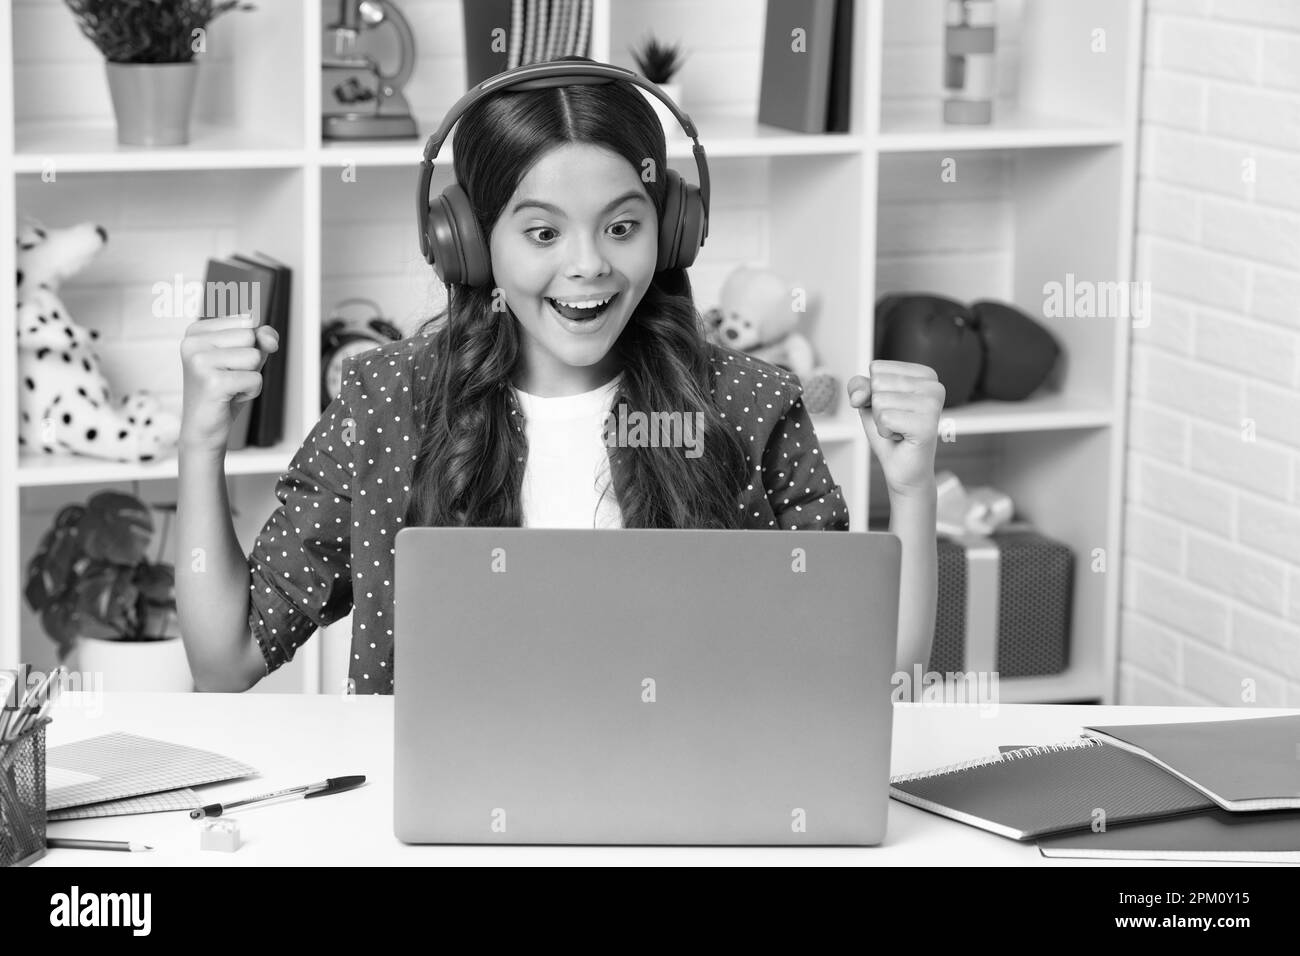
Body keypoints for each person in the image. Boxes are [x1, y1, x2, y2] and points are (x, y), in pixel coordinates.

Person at [175, 59, 943, 695]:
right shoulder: (390, 405)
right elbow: (226, 657)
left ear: (673, 230)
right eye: (543, 231)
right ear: (469, 244)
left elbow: (875, 674)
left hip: (684, 811)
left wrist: (909, 489)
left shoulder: (746, 407)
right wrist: (201, 439)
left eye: (622, 226)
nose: (588, 265)